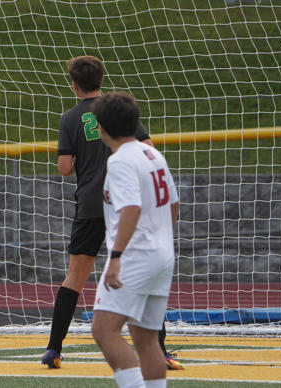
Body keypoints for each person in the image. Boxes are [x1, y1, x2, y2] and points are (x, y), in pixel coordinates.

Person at [41, 56, 182, 371]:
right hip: (125, 204)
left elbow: (64, 167)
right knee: (143, 278)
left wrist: (83, 154)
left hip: (91, 204)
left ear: (74, 85)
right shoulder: (118, 111)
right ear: (102, 79)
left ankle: (53, 349)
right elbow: (147, 147)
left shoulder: (70, 118)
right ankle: (160, 351)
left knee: (75, 277)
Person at [90, 92, 179, 388]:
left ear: (102, 127)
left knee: (104, 329)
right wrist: (160, 236)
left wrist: (116, 256)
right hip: (162, 255)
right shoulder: (153, 154)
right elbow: (174, 204)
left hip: (135, 255)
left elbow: (131, 208)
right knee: (146, 338)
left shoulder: (120, 161)